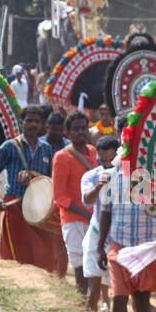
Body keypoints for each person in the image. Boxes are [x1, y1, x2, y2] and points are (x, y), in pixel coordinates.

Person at [95, 152, 156, 312]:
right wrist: (100, 246)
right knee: (119, 299)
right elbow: (105, 213)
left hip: (146, 248)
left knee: (142, 300)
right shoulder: (111, 176)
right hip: (119, 246)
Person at [0, 105, 61, 274]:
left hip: (39, 211)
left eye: (37, 121)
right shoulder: (10, 146)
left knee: (45, 257)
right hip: (14, 207)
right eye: (29, 120)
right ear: (22, 122)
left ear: (42, 124)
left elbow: (49, 180)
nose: (33, 125)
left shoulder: (46, 148)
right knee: (17, 258)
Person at [50, 111, 97, 295]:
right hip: (73, 219)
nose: (81, 132)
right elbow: (59, 196)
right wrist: (85, 213)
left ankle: (91, 303)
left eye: (83, 128)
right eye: (76, 129)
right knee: (79, 262)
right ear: (67, 133)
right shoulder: (62, 157)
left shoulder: (93, 151)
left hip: (93, 217)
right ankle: (82, 303)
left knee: (93, 261)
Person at [79, 135, 119, 312]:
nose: (107, 164)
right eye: (103, 160)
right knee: (94, 279)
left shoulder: (127, 175)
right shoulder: (91, 176)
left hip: (120, 234)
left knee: (120, 287)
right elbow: (87, 200)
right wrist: (99, 186)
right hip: (97, 231)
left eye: (111, 160)